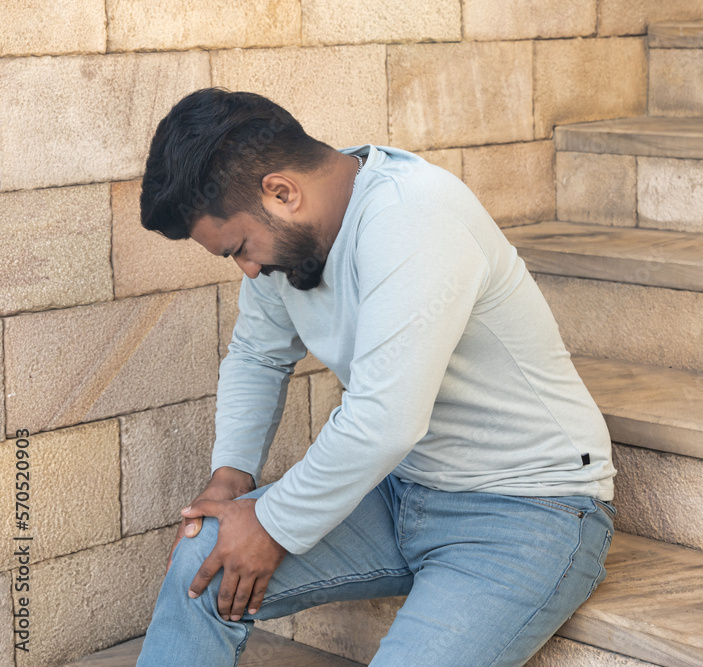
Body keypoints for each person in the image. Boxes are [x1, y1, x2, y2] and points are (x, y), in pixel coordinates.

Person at [135, 87, 616, 667]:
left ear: (282, 192)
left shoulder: (413, 215)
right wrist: (230, 478)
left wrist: (274, 524)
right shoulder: (290, 242)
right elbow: (258, 355)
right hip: (396, 492)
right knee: (202, 557)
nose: (250, 269)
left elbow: (385, 419)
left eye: (239, 247)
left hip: (527, 510)